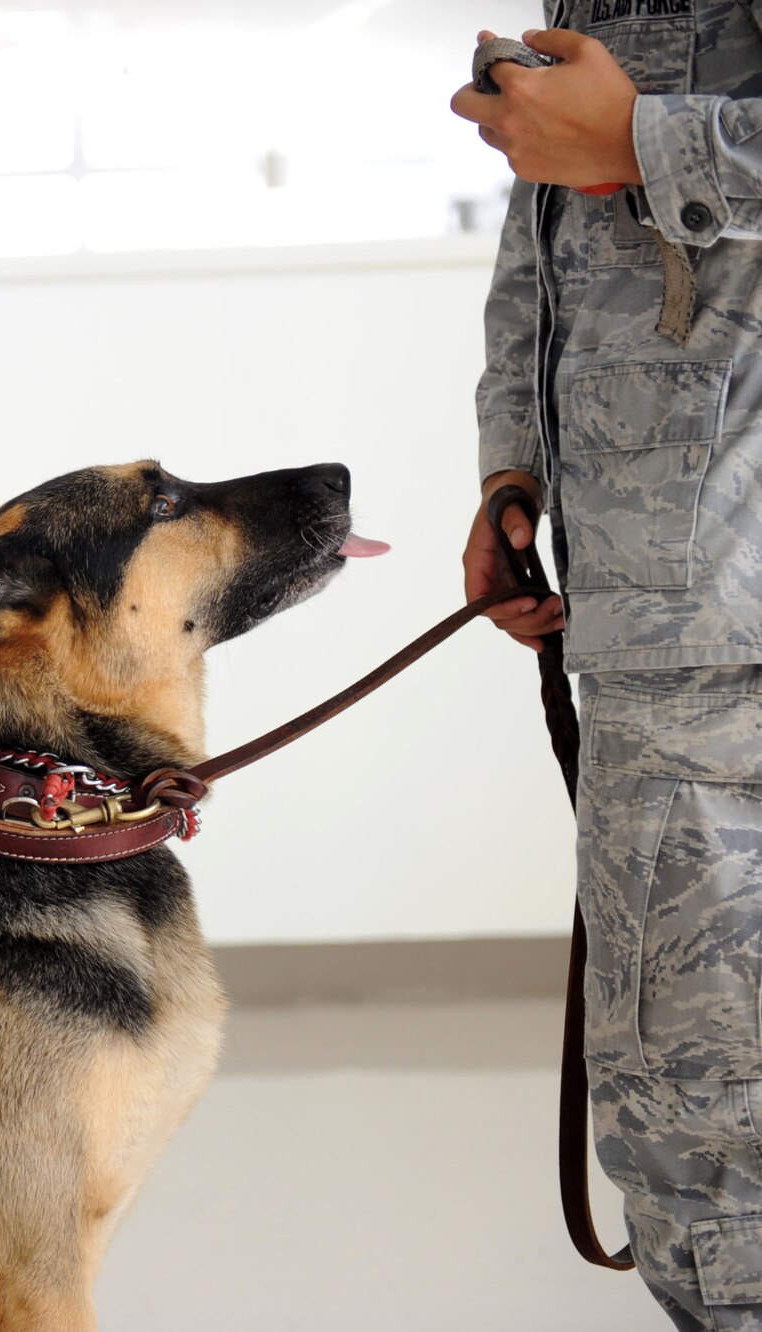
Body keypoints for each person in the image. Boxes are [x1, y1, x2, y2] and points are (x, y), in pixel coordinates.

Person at [453, 8, 762, 1328]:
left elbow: (619, 158)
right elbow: (550, 242)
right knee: (679, 1126)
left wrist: (644, 136)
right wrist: (513, 465)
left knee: (717, 1146)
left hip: (727, 621)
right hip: (647, 607)